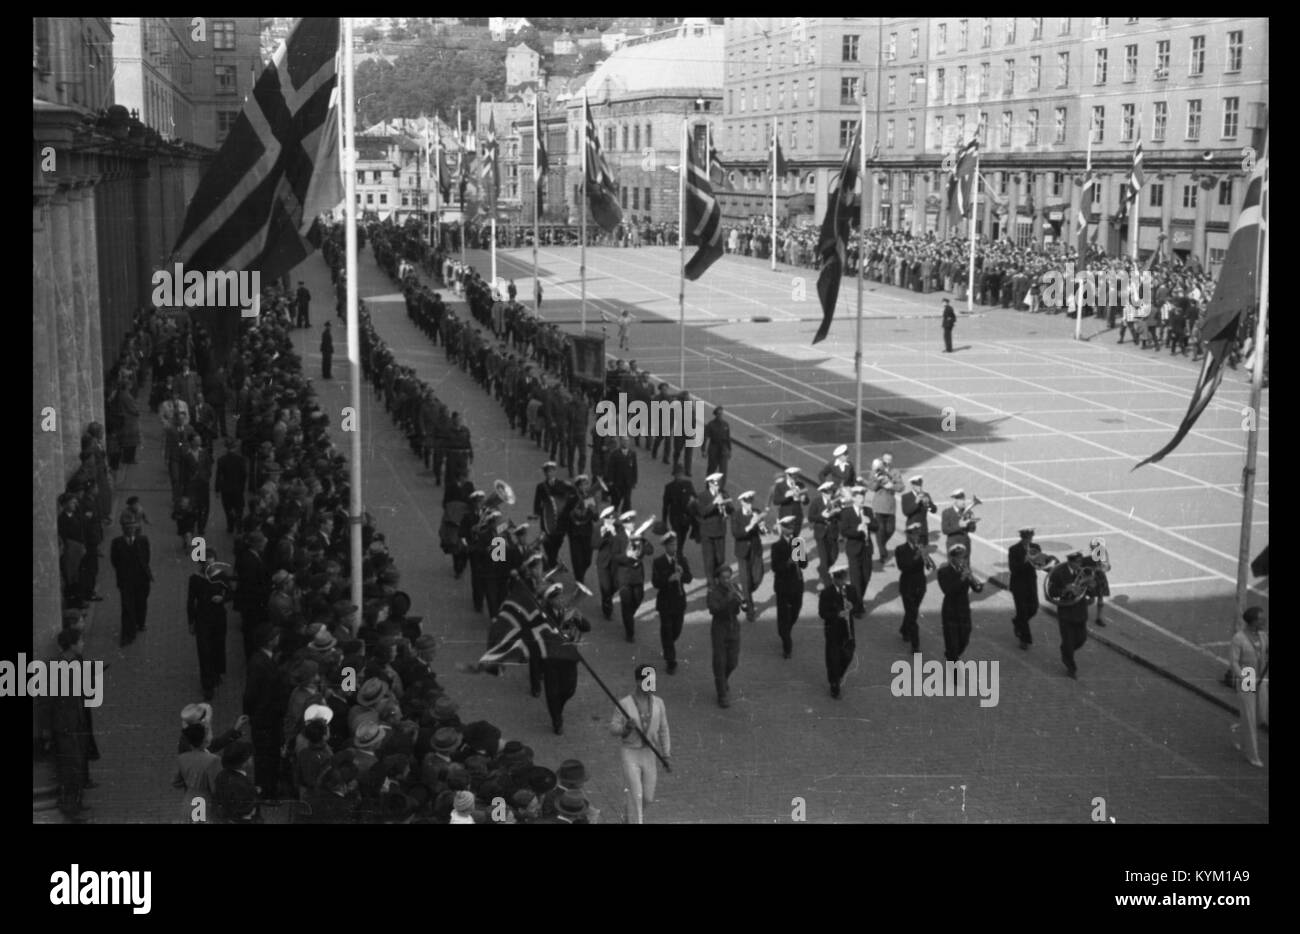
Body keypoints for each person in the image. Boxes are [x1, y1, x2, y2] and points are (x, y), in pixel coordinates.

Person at [609, 664, 671, 824]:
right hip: (630, 752)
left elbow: (664, 729)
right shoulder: (625, 704)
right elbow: (613, 728)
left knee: (648, 797)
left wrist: (666, 753)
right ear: (638, 681)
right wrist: (625, 728)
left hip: (650, 752)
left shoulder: (659, 703)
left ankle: (629, 818)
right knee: (636, 795)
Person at [187, 552, 232, 701]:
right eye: (206, 564)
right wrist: (191, 622)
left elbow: (231, 593)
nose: (209, 567)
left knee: (218, 646)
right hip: (202, 619)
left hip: (218, 618)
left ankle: (217, 672)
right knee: (204, 651)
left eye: (211, 564)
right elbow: (191, 601)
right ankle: (207, 685)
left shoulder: (222, 576)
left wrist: (223, 598)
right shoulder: (195, 579)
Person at [1229, 607, 1268, 768]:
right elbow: (1234, 662)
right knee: (1250, 718)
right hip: (1247, 677)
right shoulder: (1239, 639)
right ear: (1253, 622)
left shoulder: (1263, 635)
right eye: (1261, 619)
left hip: (1261, 678)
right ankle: (1252, 755)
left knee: (1261, 716)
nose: (1264, 621)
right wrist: (1244, 677)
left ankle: (1238, 730)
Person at [819, 562, 862, 699]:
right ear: (835, 579)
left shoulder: (851, 590)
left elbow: (857, 607)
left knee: (848, 655)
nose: (844, 582)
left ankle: (837, 676)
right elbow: (822, 613)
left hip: (848, 630)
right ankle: (834, 684)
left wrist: (852, 607)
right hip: (833, 630)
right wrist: (837, 614)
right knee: (833, 658)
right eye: (841, 579)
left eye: (845, 579)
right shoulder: (826, 593)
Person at [651, 531, 692, 674]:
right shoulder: (658, 562)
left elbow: (689, 578)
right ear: (666, 547)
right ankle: (671, 660)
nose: (674, 547)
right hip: (665, 602)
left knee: (677, 629)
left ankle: (667, 646)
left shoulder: (681, 559)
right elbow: (655, 582)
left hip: (679, 601)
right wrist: (669, 579)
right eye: (671, 545)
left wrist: (682, 574)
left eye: (675, 544)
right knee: (667, 630)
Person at [1046, 552, 1092, 678]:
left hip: (1080, 611)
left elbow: (1090, 587)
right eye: (1077, 562)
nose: (1080, 565)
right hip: (1066, 612)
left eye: (1080, 562)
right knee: (1068, 642)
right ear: (1070, 561)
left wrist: (1091, 587)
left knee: (1081, 639)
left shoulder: (1083, 572)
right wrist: (1065, 590)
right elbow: (1051, 592)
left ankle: (1066, 651)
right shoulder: (1059, 573)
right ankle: (1071, 667)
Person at [109, 515, 153, 647]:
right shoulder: (116, 542)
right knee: (127, 607)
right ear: (122, 528)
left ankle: (140, 622)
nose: (130, 529)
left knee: (141, 602)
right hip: (126, 580)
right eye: (127, 526)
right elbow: (114, 561)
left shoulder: (143, 540)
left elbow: (146, 558)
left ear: (136, 527)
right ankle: (128, 635)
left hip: (141, 579)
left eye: (132, 526)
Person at [937, 544, 982, 662]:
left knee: (964, 640)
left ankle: (952, 655)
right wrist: (962, 578)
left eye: (963, 557)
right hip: (950, 611)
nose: (962, 560)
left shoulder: (965, 570)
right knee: (952, 643)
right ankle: (953, 665)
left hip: (963, 610)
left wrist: (975, 582)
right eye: (959, 557)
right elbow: (947, 590)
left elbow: (977, 588)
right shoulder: (944, 571)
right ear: (952, 558)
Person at [707, 565, 744, 707]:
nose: (727, 580)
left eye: (729, 577)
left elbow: (742, 605)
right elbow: (713, 609)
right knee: (720, 662)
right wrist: (727, 599)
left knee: (733, 662)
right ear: (717, 579)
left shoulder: (734, 586)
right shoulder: (712, 591)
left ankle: (723, 680)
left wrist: (744, 603)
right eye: (724, 578)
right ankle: (721, 694)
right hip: (719, 627)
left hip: (733, 626)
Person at [771, 516, 807, 659]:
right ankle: (787, 645)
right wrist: (788, 563)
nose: (791, 530)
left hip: (797, 585)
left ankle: (785, 630)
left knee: (795, 613)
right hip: (783, 586)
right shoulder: (777, 546)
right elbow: (775, 567)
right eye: (788, 527)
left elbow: (804, 565)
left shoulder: (798, 543)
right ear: (782, 529)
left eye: (792, 527)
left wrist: (801, 558)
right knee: (783, 615)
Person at [1007, 528, 1050, 650]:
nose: (1029, 539)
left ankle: (1018, 622)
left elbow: (1040, 563)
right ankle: (1024, 639)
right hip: (1018, 584)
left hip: (1031, 582)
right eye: (1026, 537)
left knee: (1034, 608)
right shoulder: (1014, 549)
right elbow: (1013, 568)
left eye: (1030, 536)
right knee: (1022, 611)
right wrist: (1025, 561)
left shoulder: (1035, 547)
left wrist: (1042, 562)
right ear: (1022, 537)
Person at [893, 522, 931, 654]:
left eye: (918, 535)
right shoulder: (900, 550)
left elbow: (929, 566)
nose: (917, 537)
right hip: (907, 586)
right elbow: (903, 567)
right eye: (914, 535)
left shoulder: (921, 548)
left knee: (912, 611)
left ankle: (904, 629)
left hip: (920, 585)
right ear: (908, 535)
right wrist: (917, 556)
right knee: (913, 614)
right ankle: (915, 645)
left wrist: (926, 558)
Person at [730, 491, 765, 622]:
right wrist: (752, 524)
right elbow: (736, 533)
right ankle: (750, 609)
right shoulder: (737, 515)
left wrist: (762, 526)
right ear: (742, 502)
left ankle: (744, 593)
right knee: (745, 580)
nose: (750, 504)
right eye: (747, 502)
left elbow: (763, 530)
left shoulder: (756, 511)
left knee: (758, 576)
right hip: (743, 551)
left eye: (751, 502)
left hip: (756, 549)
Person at [703, 406, 732, 486]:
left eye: (721, 414)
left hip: (723, 449)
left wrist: (729, 450)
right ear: (716, 415)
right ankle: (709, 486)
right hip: (714, 448)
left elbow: (728, 438)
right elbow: (706, 438)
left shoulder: (726, 424)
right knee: (712, 468)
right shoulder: (711, 425)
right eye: (719, 414)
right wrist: (704, 450)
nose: (721, 416)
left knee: (723, 470)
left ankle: (722, 488)